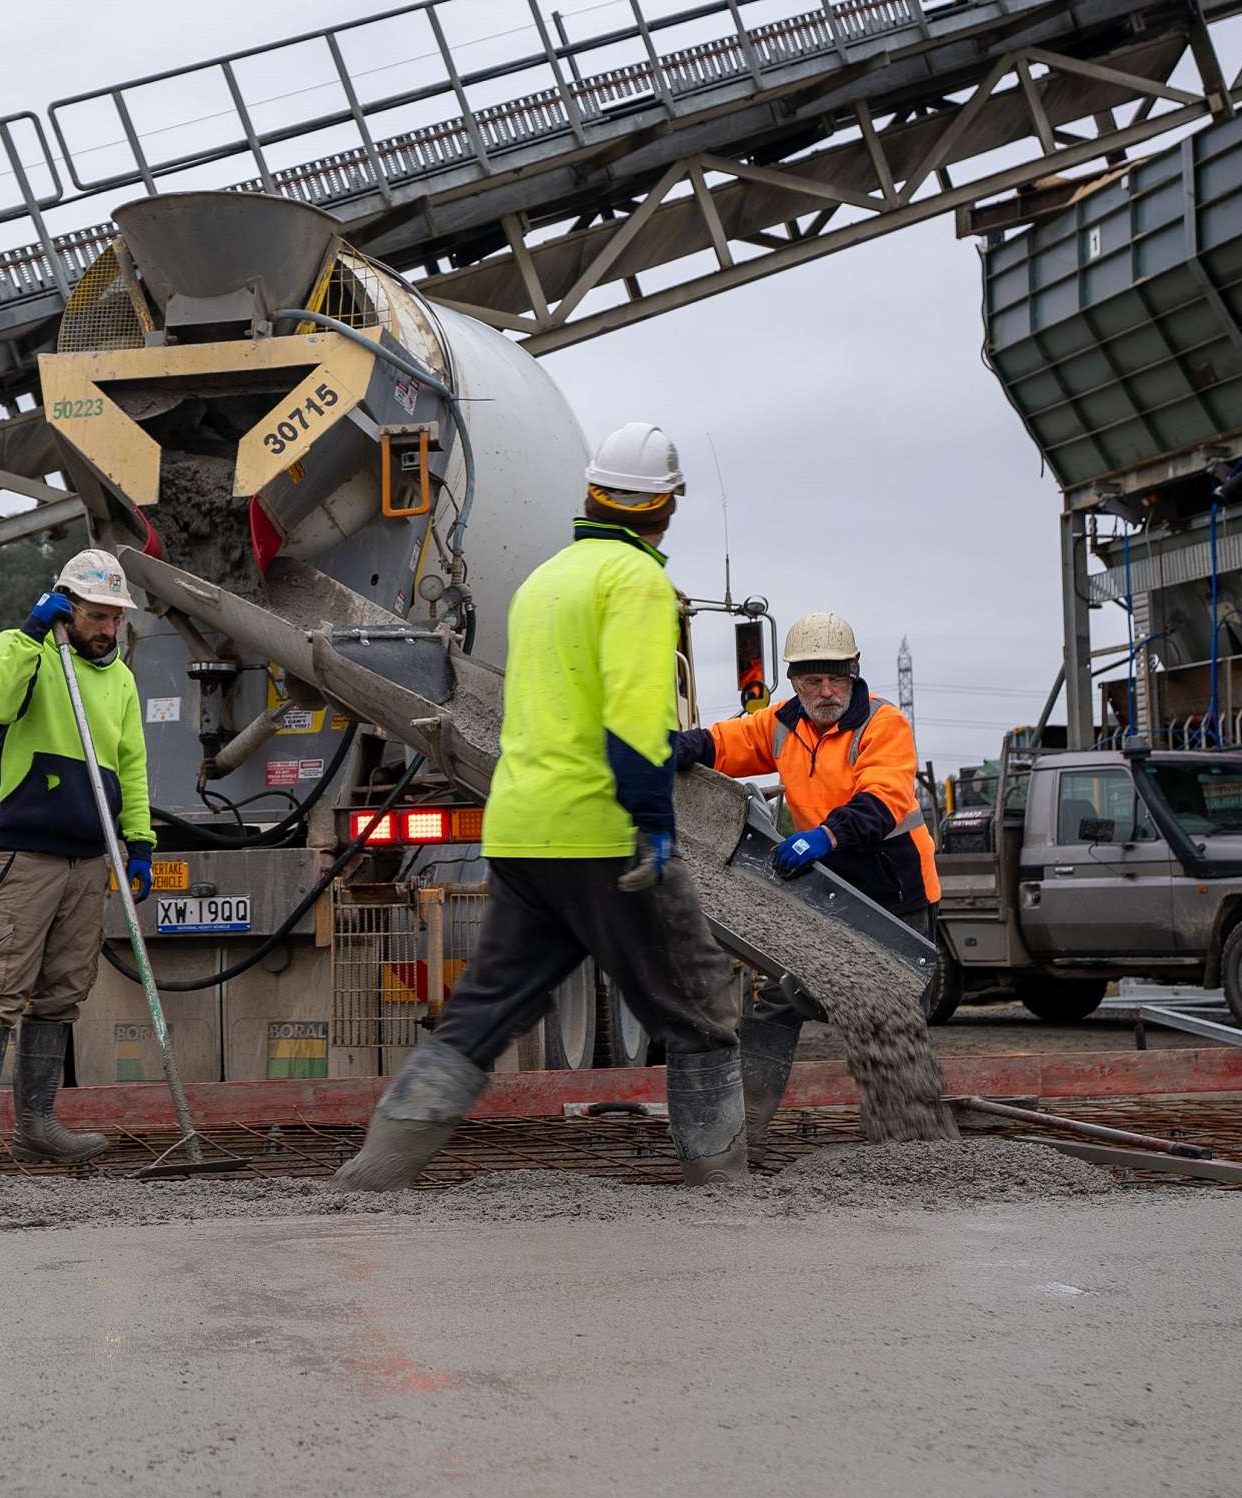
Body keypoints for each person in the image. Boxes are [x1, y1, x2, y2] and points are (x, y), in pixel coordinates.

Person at [333, 423, 745, 1190]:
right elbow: (632, 721)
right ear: (664, 510)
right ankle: (721, 1187)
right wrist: (653, 825)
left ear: (592, 493)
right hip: (602, 834)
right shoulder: (637, 583)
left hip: (522, 834)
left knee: (481, 1012)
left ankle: (377, 1170)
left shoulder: (543, 581)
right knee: (701, 1010)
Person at [670, 610, 939, 1158]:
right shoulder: (782, 723)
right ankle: (741, 1139)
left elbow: (883, 800)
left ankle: (911, 1145)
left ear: (853, 673)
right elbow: (724, 744)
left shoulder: (882, 724)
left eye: (836, 678)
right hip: (828, 889)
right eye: (813, 680)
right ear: (793, 681)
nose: (825, 690)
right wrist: (672, 748)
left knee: (892, 1013)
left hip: (893, 887)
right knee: (779, 1002)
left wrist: (822, 837)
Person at [0, 548, 154, 1172]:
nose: (109, 629)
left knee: (62, 994)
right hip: (26, 854)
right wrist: (32, 632)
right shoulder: (23, 648)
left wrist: (140, 845)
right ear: (66, 605)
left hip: (89, 858)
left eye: (116, 618)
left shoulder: (122, 679)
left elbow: (131, 768)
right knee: (0, 988)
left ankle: (37, 1124)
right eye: (98, 615)